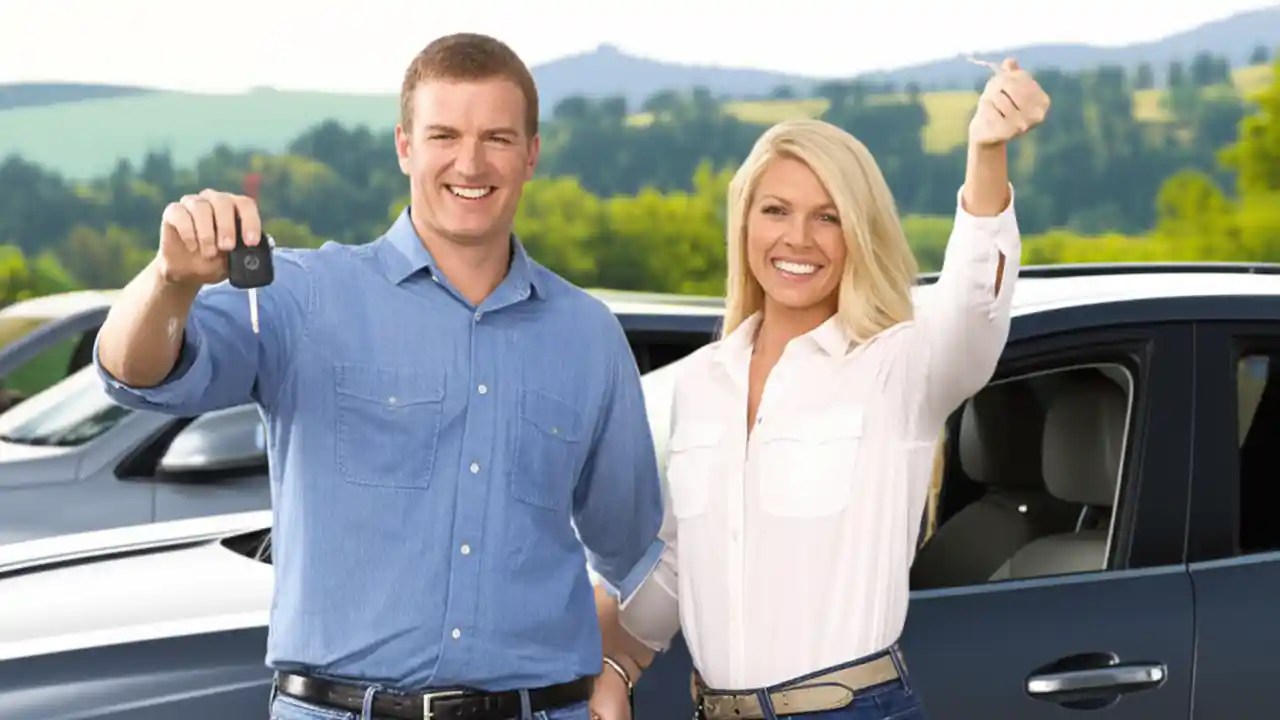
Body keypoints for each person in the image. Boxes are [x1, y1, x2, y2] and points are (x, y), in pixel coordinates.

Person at [93, 32, 665, 720]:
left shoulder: (588, 336)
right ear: (404, 146)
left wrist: (613, 666)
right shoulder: (302, 296)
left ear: (532, 154)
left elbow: (634, 552)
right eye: (444, 135)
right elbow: (136, 374)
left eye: (498, 138)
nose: (471, 162)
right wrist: (169, 280)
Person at [589, 59, 1050, 720]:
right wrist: (612, 662)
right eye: (775, 210)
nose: (796, 238)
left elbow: (977, 302)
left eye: (827, 216)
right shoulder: (703, 381)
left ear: (857, 231)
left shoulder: (900, 366)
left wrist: (986, 152)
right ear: (745, 222)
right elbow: (680, 566)